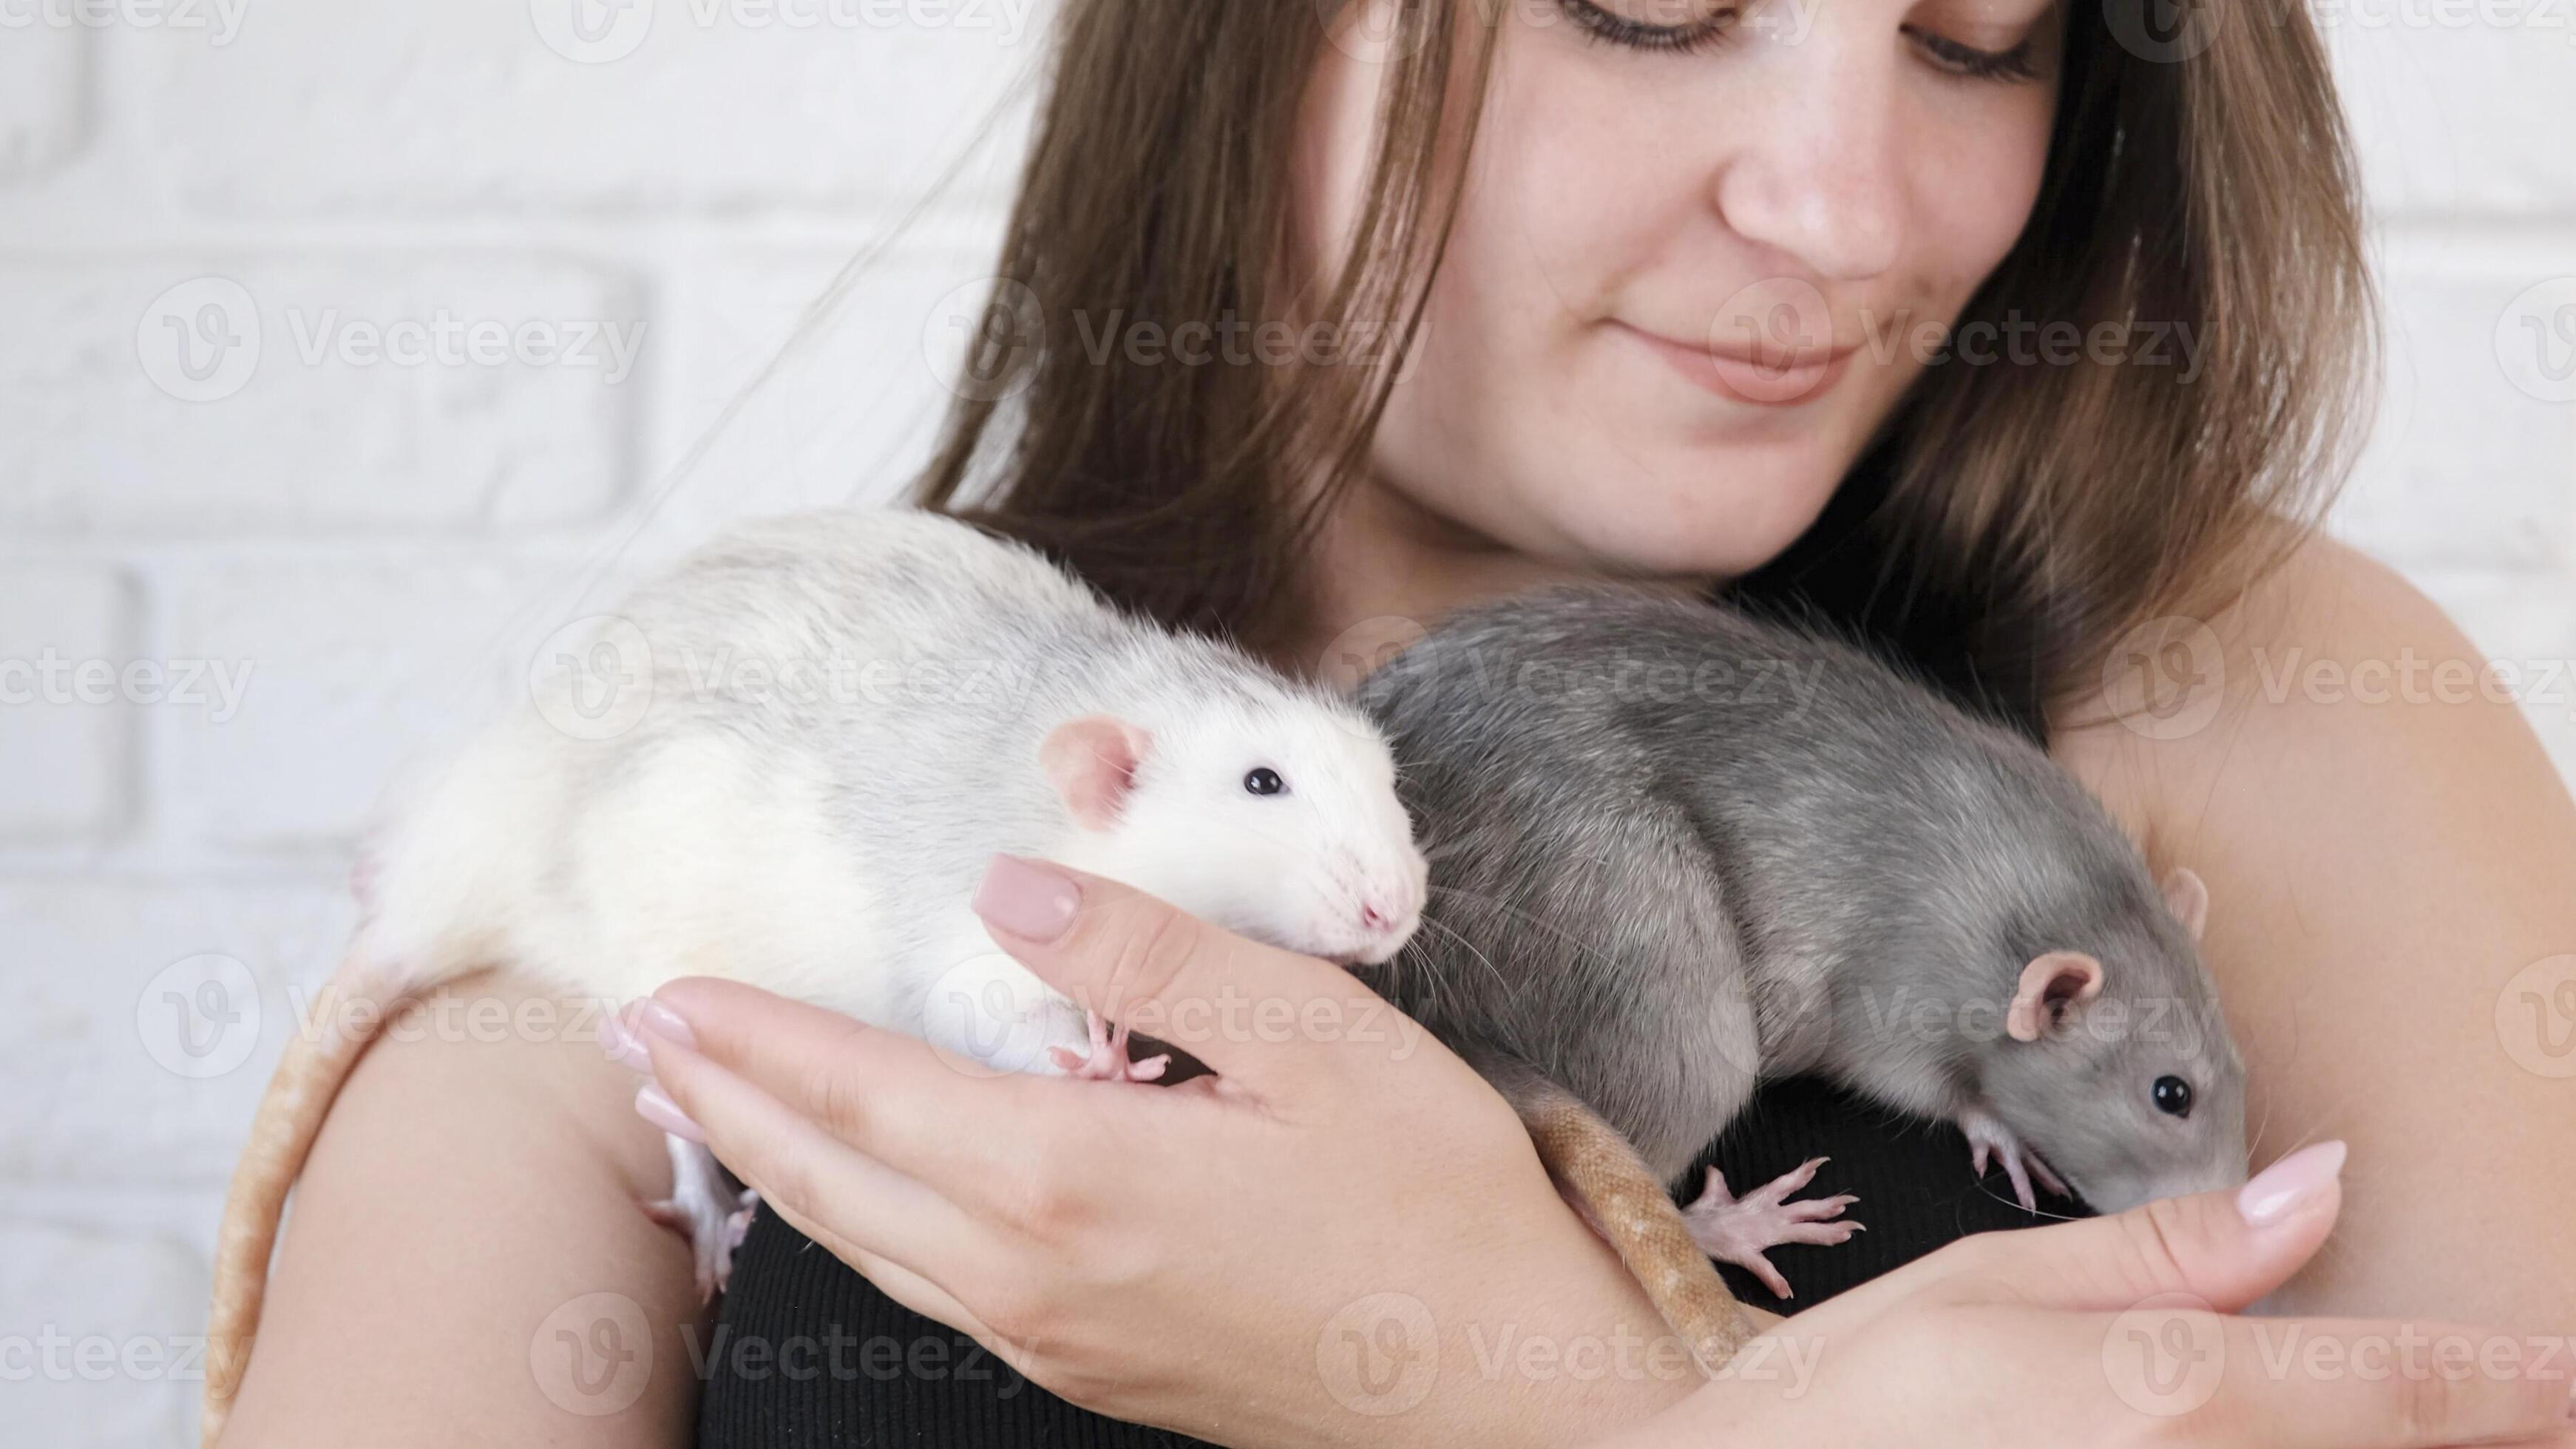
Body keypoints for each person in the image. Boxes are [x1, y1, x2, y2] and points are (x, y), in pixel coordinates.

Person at [217, 0, 2576, 1444]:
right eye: (1647, 6)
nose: (1848, 209)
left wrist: (1517, 1379)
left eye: (1974, 37)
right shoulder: (726, 827)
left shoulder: (2242, 700)